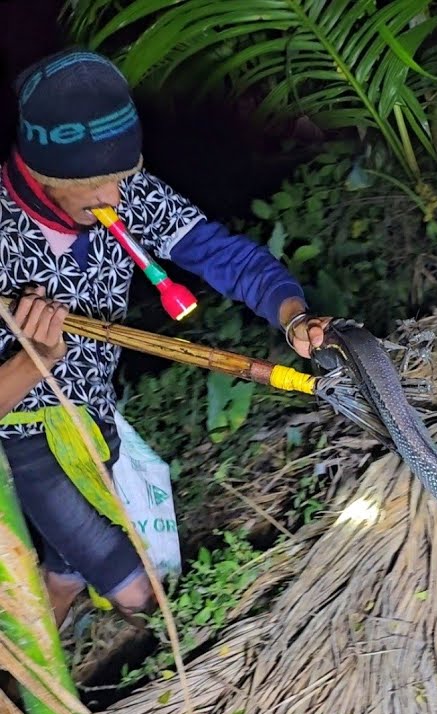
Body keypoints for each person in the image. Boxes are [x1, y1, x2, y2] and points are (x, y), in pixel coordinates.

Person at [0, 49, 331, 628]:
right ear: (42, 177)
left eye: (122, 180)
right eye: (95, 189)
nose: (116, 200)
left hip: (95, 412)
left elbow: (221, 256)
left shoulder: (124, 190)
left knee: (68, 569)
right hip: (26, 436)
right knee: (136, 592)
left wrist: (293, 315)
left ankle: (38, 640)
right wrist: (36, 361)